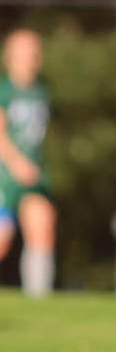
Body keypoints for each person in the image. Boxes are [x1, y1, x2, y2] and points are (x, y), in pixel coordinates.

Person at [0, 29, 55, 297]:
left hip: (32, 176)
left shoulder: (42, 91)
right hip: (4, 176)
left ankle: (38, 301)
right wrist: (16, 163)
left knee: (43, 226)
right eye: (23, 50)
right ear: (9, 55)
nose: (30, 56)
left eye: (34, 49)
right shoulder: (4, 91)